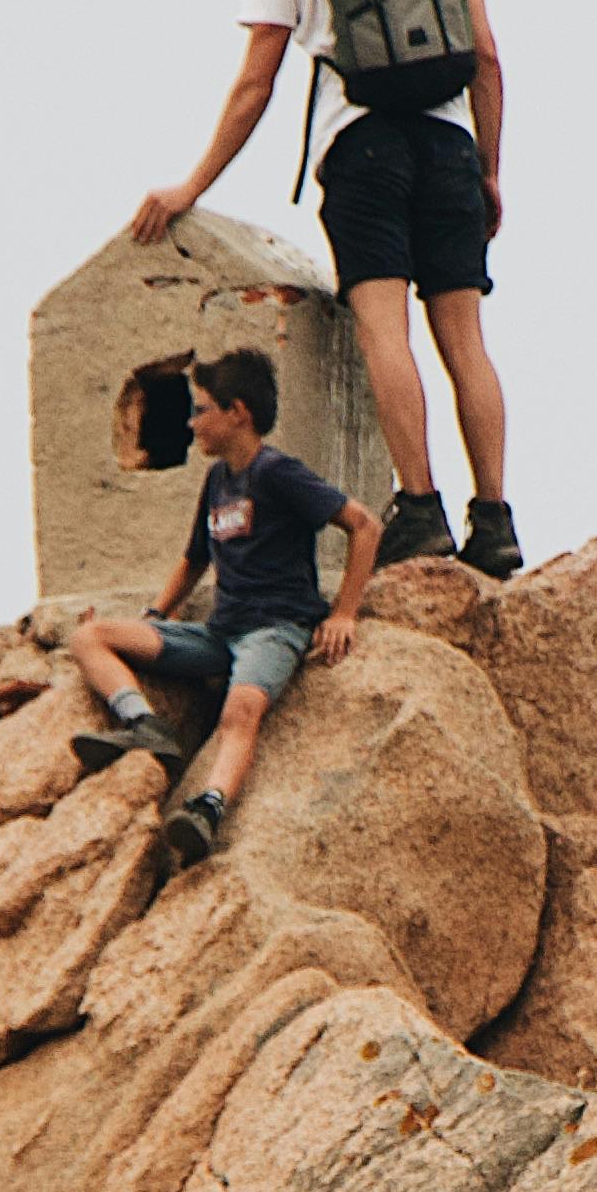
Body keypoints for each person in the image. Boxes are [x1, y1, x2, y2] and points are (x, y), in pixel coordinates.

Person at [125, 0, 520, 578]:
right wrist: (488, 171)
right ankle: (495, 521)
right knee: (465, 341)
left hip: (363, 151)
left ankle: (423, 509)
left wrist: (192, 185)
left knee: (383, 330)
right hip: (447, 152)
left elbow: (255, 85)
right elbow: (488, 58)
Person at [64, 347, 381, 871]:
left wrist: (344, 612)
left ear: (239, 413)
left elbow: (364, 526)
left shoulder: (279, 473)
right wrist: (156, 613)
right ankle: (143, 724)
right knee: (90, 637)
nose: (191, 423)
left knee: (240, 710)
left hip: (274, 629)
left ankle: (208, 808)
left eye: (202, 409)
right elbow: (193, 560)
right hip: (219, 634)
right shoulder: (217, 482)